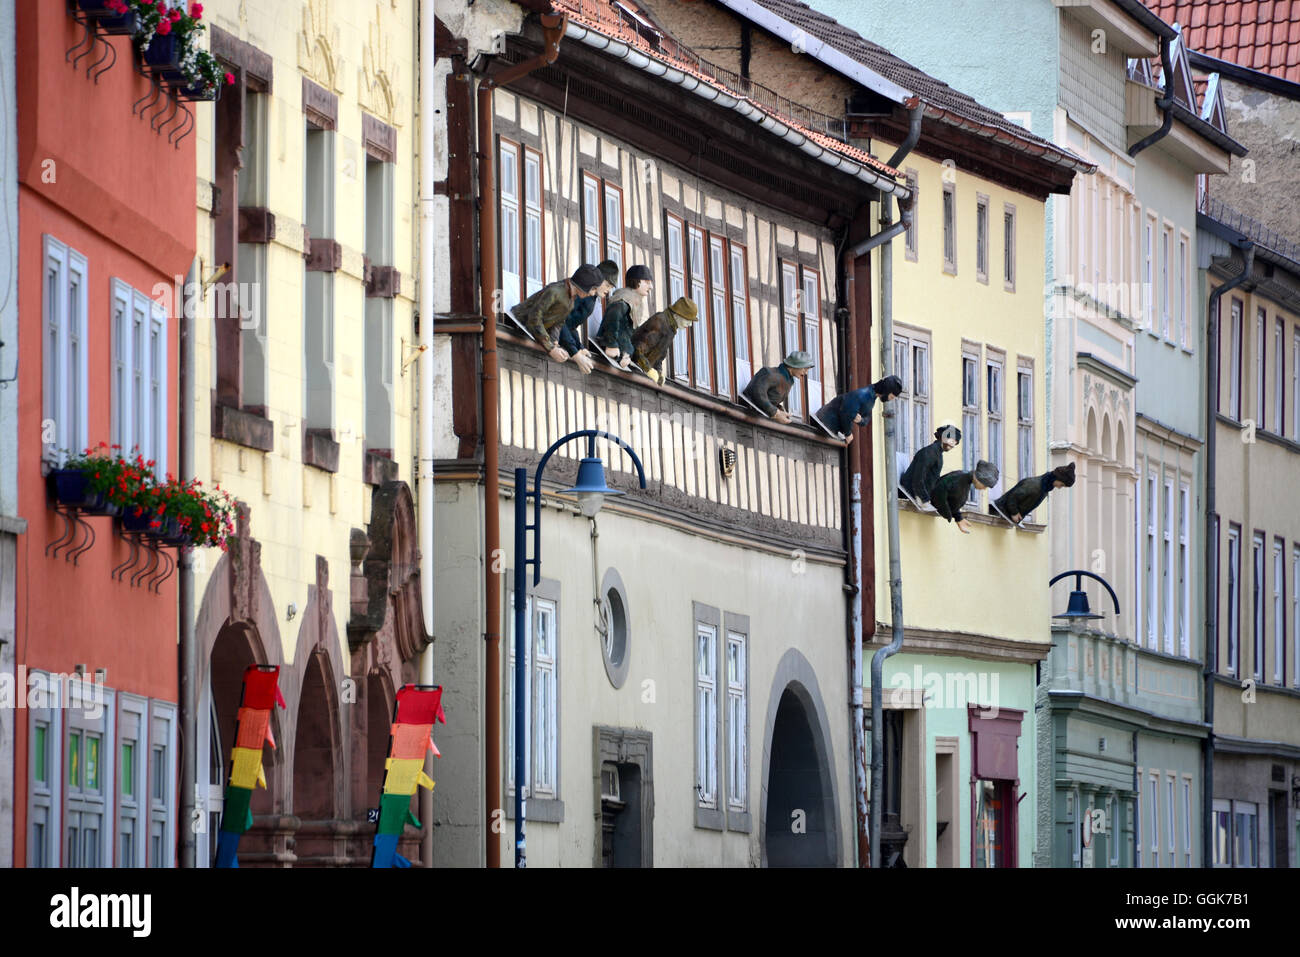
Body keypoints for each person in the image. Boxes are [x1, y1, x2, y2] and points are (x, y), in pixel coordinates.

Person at [510, 264, 604, 372]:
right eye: (593, 289)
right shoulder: (555, 291)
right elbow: (534, 318)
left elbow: (558, 322)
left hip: (528, 334)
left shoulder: (570, 298)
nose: (593, 293)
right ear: (585, 285)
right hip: (517, 327)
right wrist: (551, 348)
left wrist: (554, 342)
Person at [557, 259, 620, 369]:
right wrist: (575, 352)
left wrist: (579, 347)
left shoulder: (591, 299)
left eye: (611, 287)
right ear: (599, 279)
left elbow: (571, 325)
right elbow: (560, 321)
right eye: (607, 285)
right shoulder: (582, 293)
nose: (608, 290)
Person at [593, 264, 652, 369]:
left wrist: (627, 353)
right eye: (647, 283)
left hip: (621, 355)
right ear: (637, 281)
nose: (650, 287)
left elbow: (628, 334)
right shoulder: (624, 299)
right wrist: (611, 344)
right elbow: (612, 318)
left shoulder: (636, 300)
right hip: (610, 351)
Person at [813, 375, 903, 442]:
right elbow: (845, 412)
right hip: (826, 422)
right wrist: (848, 433)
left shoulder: (871, 398)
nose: (890, 400)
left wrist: (861, 420)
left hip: (832, 429)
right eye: (891, 397)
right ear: (886, 391)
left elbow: (867, 418)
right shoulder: (863, 394)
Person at [630, 297, 699, 382]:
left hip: (639, 372)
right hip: (630, 369)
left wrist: (659, 372)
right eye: (688, 320)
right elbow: (638, 350)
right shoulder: (660, 322)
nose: (690, 324)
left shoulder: (671, 329)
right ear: (677, 315)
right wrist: (649, 370)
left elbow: (659, 356)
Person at [743, 351, 815, 423]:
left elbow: (771, 398)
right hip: (747, 415)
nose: (805, 373)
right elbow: (758, 393)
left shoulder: (789, 380)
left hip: (760, 418)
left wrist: (779, 410)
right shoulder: (769, 373)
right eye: (804, 369)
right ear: (794, 366)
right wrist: (775, 412)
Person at [989, 462, 1075, 523]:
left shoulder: (1044, 488)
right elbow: (1013, 497)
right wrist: (1014, 512)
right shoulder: (1034, 485)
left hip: (1005, 516)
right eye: (1062, 484)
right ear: (1056, 478)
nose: (1060, 487)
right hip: (999, 512)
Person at [930, 460, 999, 533]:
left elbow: (953, 501)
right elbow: (939, 492)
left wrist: (958, 518)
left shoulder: (965, 481)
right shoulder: (959, 478)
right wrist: (948, 513)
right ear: (979, 479)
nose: (984, 489)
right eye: (985, 485)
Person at [899, 424, 961, 504]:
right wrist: (924, 499)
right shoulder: (930, 452)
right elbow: (918, 477)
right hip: (910, 495)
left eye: (955, 442)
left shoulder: (938, 454)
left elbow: (932, 480)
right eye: (951, 440)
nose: (953, 444)